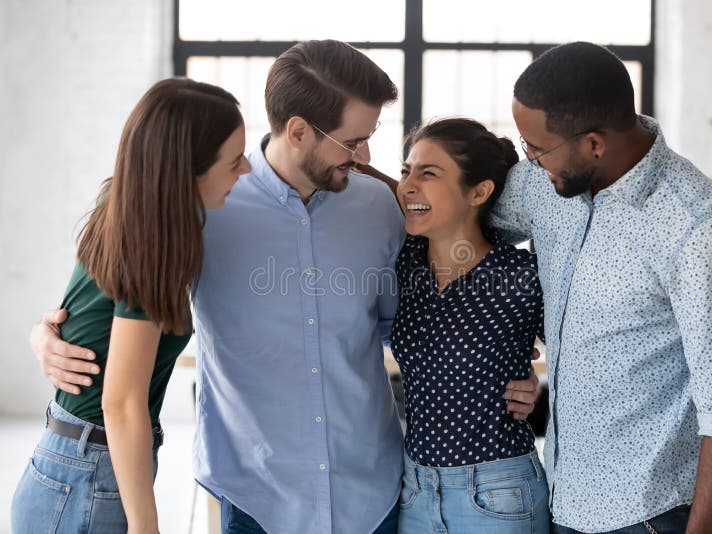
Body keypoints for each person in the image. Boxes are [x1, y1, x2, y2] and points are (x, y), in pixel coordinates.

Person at [27, 40, 540, 534]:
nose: (366, 153)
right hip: (255, 494)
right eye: (353, 139)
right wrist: (50, 333)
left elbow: (422, 307)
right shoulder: (204, 204)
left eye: (370, 134)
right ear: (298, 131)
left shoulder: (381, 206)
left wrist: (508, 376)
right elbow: (114, 282)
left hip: (371, 491)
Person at [490, 42, 712, 534]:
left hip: (648, 516)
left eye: (537, 148)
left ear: (594, 143)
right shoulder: (544, 184)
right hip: (558, 500)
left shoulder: (697, 230)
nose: (528, 160)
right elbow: (460, 217)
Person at [11, 78, 250, 533]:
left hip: (74, 462)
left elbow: (81, 318)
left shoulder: (124, 199)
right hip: (89, 473)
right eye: (234, 162)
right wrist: (146, 526)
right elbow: (120, 403)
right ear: (188, 171)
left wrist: (40, 333)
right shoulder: (152, 242)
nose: (247, 172)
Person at [392, 118, 550, 533]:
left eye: (428, 174)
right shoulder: (404, 260)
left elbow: (587, 354)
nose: (408, 186)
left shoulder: (521, 275)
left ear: (479, 191)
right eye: (406, 171)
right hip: (414, 491)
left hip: (499, 492)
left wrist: (539, 388)